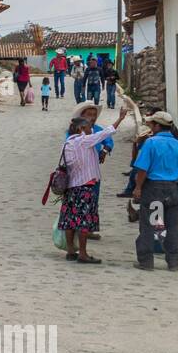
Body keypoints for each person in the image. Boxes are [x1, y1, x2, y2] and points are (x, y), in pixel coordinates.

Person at [58, 106, 130, 264]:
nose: (92, 128)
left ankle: (71, 250)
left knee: (70, 220)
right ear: (81, 128)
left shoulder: (68, 143)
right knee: (84, 221)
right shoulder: (83, 141)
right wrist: (121, 118)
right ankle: (83, 253)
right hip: (85, 186)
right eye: (89, 127)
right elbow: (106, 133)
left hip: (71, 186)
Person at [130, 110, 178, 271]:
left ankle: (146, 261)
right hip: (173, 189)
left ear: (157, 126)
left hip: (154, 189)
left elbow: (142, 169)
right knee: (172, 226)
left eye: (151, 124)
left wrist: (138, 187)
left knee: (149, 224)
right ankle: (173, 261)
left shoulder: (151, 143)